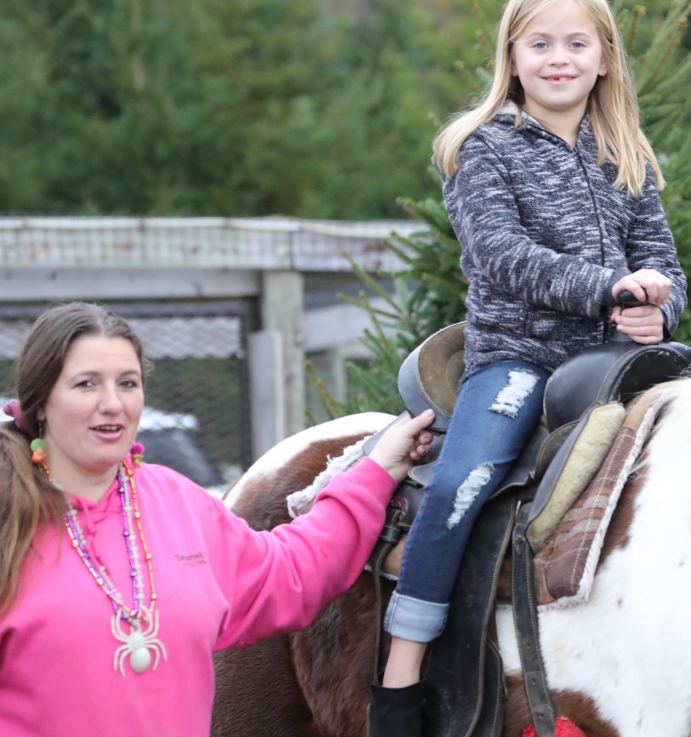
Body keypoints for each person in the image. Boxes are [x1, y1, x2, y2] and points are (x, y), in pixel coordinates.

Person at [371, 0, 687, 736]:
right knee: (460, 485)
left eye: (577, 43)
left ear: (605, 58)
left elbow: (665, 266)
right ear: (511, 58)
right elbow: (502, 256)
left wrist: (658, 312)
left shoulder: (628, 155)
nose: (559, 58)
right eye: (539, 43)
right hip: (519, 362)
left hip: (615, 365)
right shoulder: (483, 150)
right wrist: (614, 288)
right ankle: (402, 668)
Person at [0, 302, 436, 737]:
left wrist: (375, 470)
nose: (112, 403)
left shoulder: (178, 503)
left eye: (127, 383)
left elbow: (289, 572)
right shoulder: (8, 519)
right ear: (40, 401)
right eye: (86, 384)